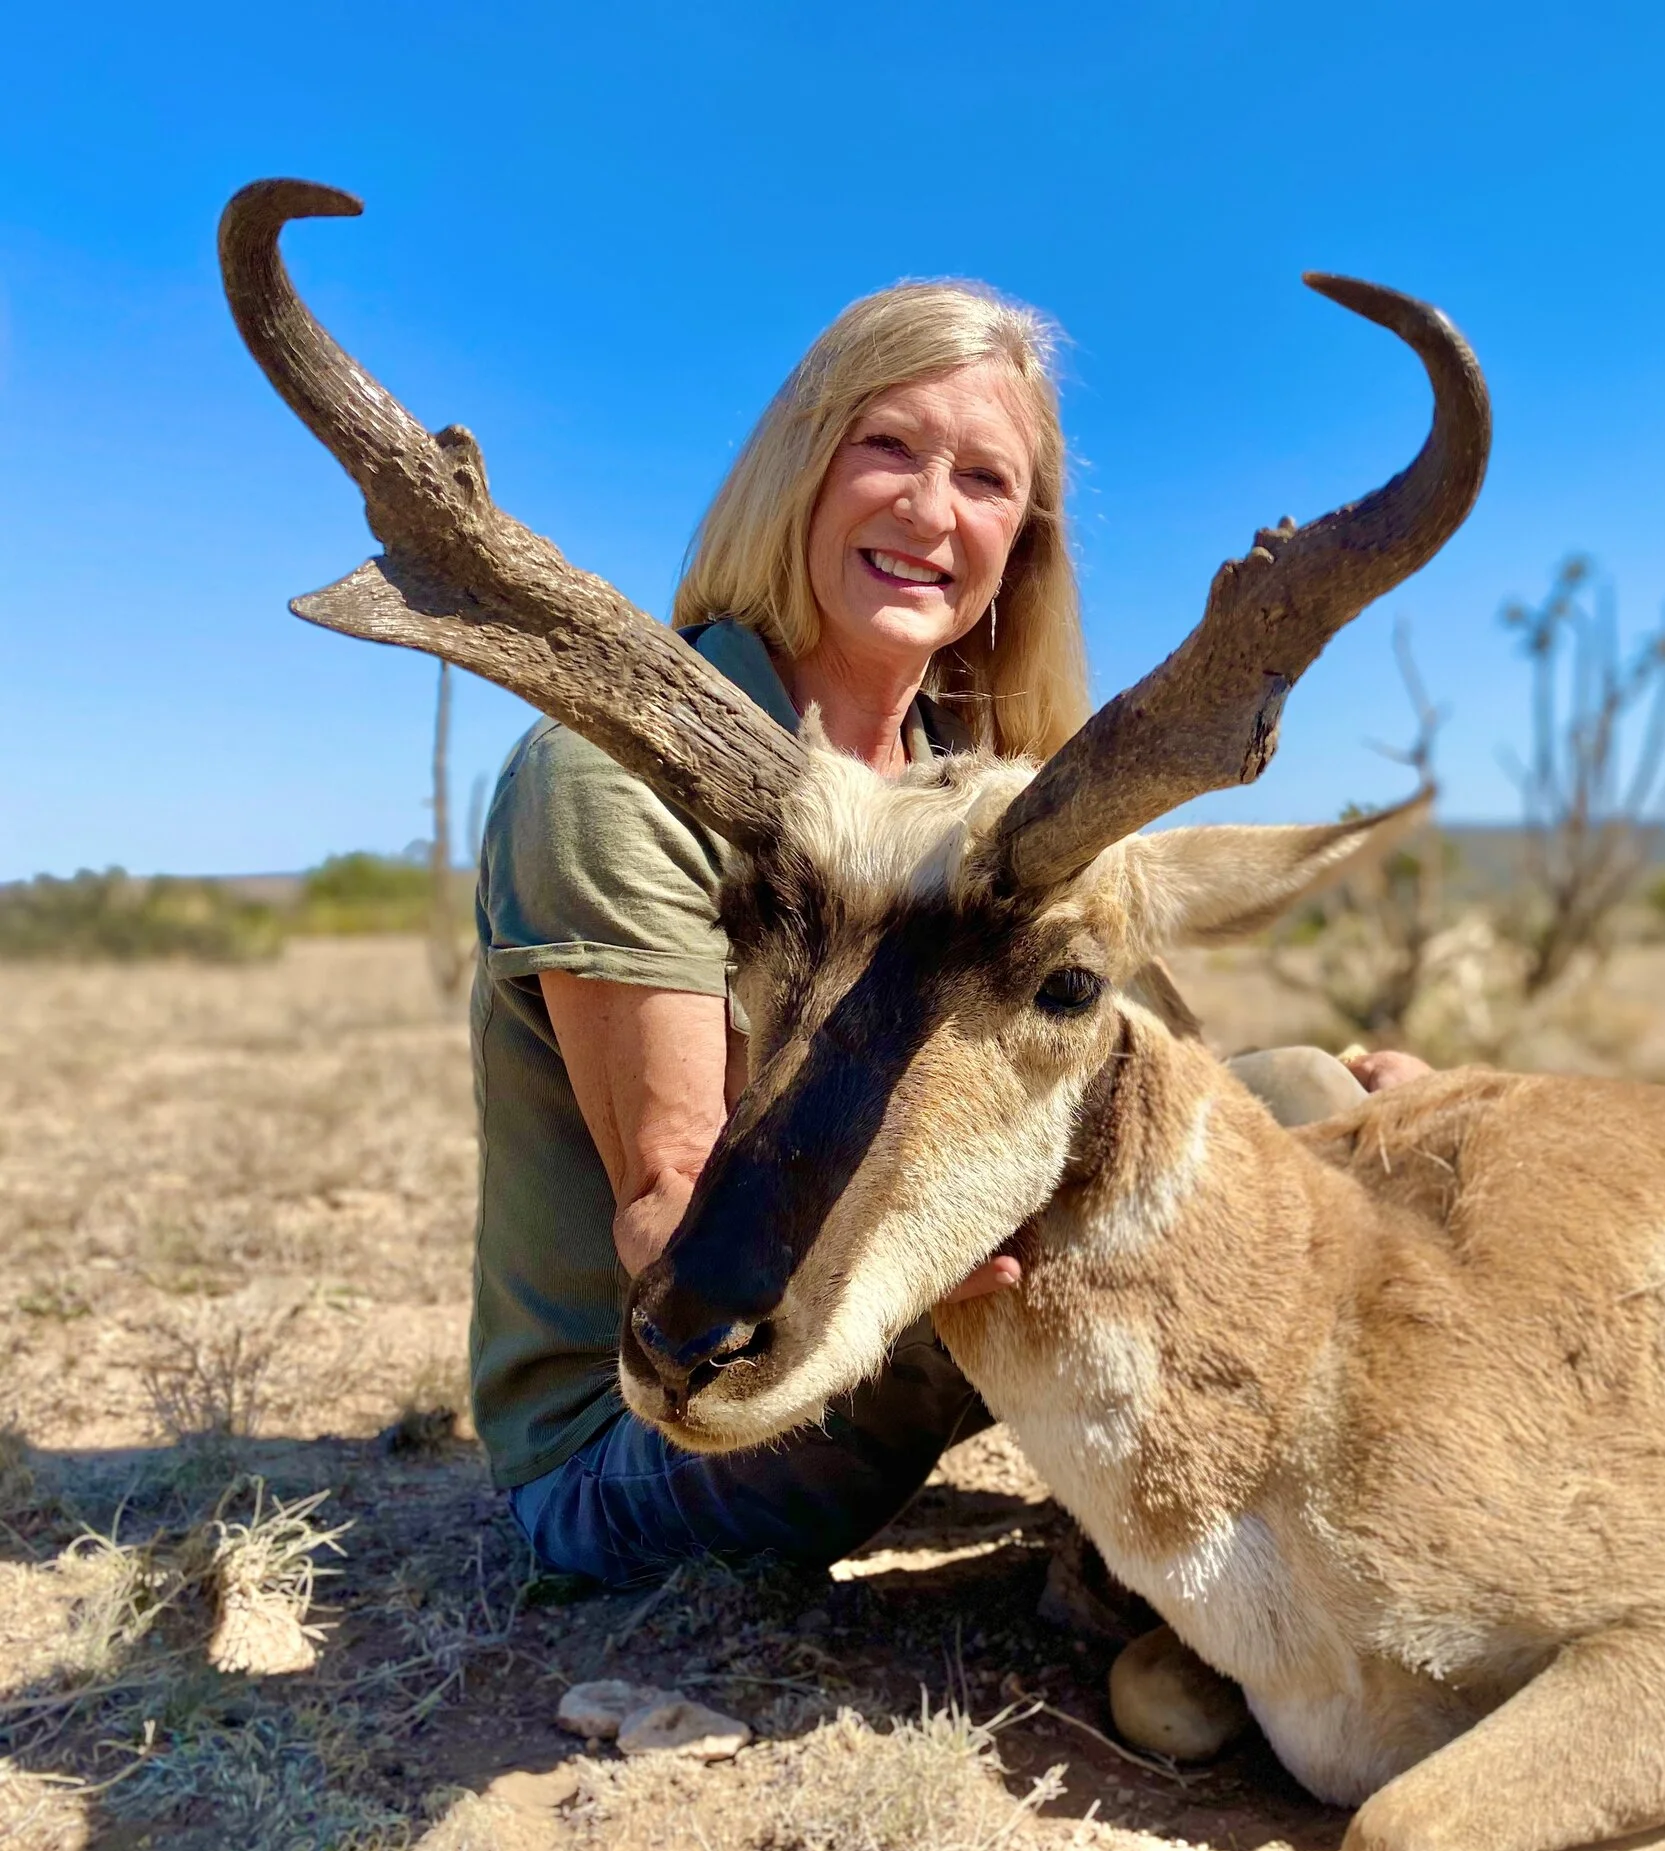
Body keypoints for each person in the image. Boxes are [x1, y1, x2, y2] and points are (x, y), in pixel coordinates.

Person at [467, 278, 1426, 1595]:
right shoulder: (611, 776)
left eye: (985, 480)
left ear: (1018, 546)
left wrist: (1380, 1121)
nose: (931, 510)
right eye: (889, 447)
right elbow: (670, 1206)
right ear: (800, 469)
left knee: (1308, 1098)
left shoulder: (957, 798)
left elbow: (1149, 1073)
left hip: (853, 1330)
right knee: (1280, 1141)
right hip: (650, 1437)